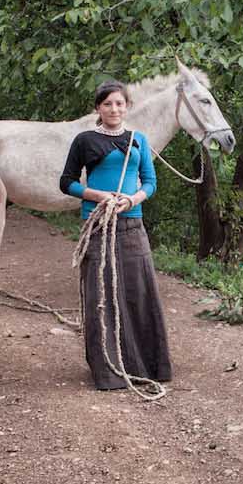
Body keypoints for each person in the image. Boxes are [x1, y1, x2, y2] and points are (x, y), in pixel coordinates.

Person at [59, 79, 172, 391]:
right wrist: (97, 195)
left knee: (139, 291)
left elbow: (150, 182)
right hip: (98, 224)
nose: (114, 109)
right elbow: (66, 182)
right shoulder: (84, 140)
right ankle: (108, 371)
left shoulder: (139, 140)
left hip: (132, 224)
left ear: (127, 107)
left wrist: (132, 200)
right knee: (101, 294)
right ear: (98, 108)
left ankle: (148, 365)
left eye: (119, 103)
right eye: (107, 104)